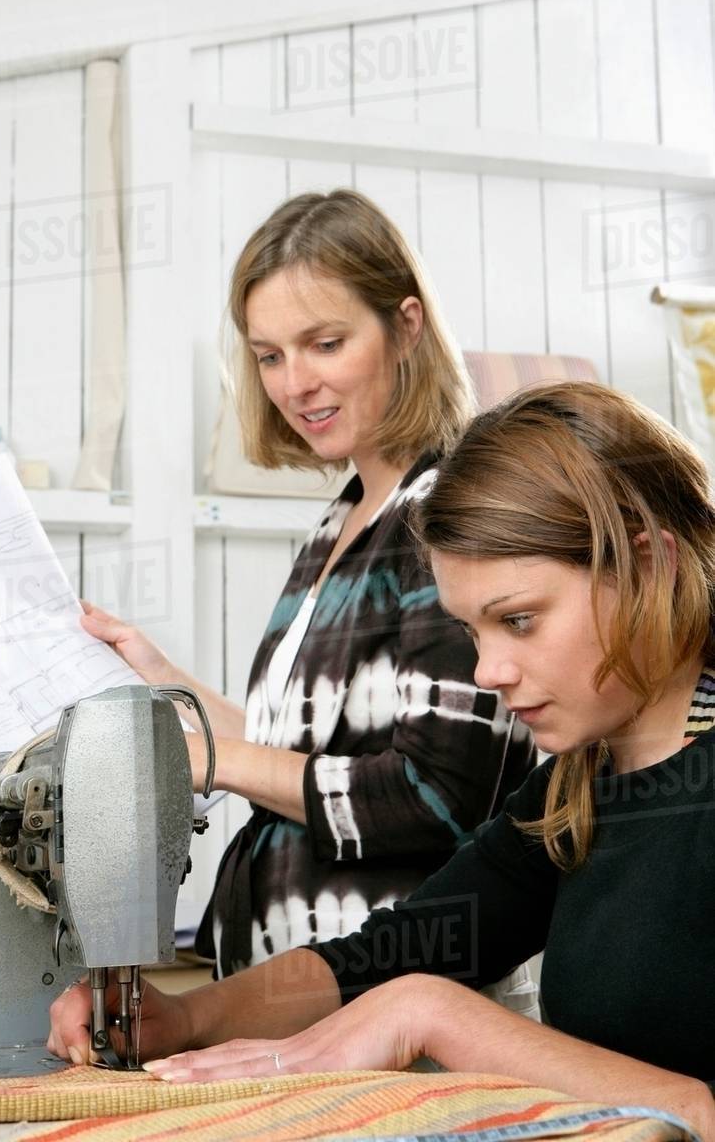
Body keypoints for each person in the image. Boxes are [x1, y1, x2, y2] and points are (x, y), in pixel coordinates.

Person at [49, 379, 715, 1139]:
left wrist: (430, 1015)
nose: (488, 672)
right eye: (472, 633)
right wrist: (183, 1017)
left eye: (520, 620)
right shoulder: (575, 789)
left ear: (650, 565)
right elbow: (399, 950)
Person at [77, 188, 535, 981]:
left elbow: (435, 794)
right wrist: (165, 683)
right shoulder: (347, 516)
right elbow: (291, 749)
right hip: (294, 986)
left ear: (406, 326)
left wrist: (204, 760)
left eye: (325, 343)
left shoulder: (450, 514)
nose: (295, 384)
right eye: (270, 355)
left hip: (402, 988)